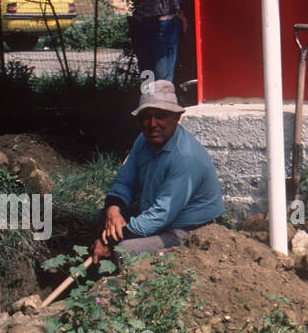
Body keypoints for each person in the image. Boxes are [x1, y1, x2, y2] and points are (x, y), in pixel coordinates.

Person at [91, 80, 225, 265]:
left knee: (125, 251)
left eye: (161, 116)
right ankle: (97, 274)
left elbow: (161, 215)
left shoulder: (186, 157)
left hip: (187, 229)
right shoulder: (143, 140)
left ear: (176, 118)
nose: (152, 124)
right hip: (156, 217)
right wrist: (113, 213)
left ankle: (116, 287)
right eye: (146, 116)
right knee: (101, 218)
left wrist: (111, 239)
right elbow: (124, 182)